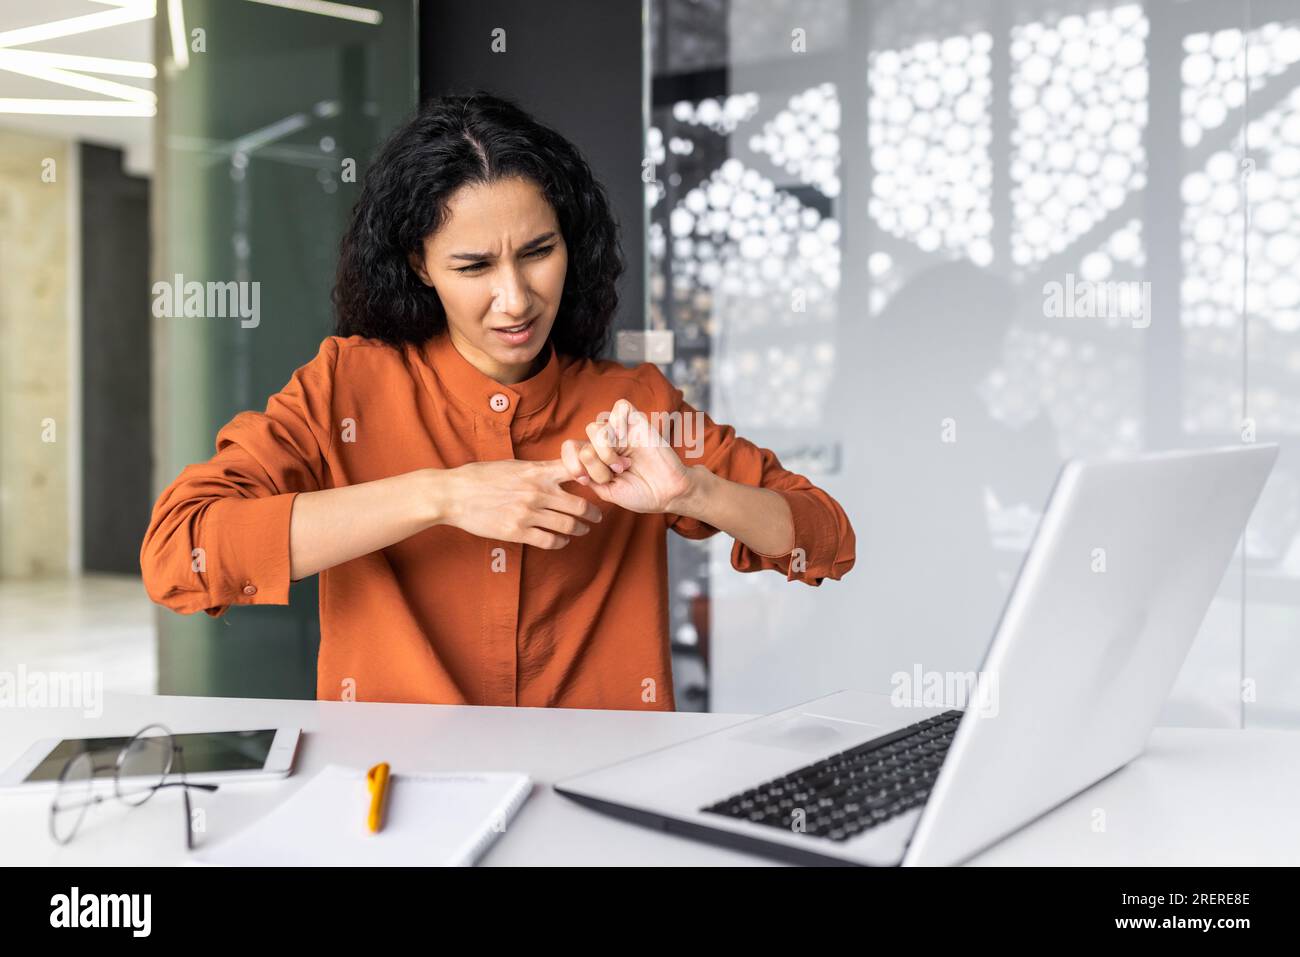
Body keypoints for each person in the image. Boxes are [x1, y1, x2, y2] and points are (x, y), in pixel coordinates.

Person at [140, 91, 855, 710]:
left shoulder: (634, 403)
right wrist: (441, 496)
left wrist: (694, 489)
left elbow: (827, 539)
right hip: (394, 799)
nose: (515, 299)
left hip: (595, 801)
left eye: (538, 252)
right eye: (473, 266)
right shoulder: (345, 387)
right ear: (419, 263)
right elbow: (179, 553)